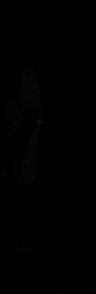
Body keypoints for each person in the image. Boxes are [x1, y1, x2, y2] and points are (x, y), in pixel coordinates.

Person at [2, 53, 42, 253]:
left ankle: (24, 239)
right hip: (15, 138)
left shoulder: (26, 74)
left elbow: (31, 111)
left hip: (19, 140)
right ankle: (18, 238)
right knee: (17, 188)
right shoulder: (20, 73)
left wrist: (21, 141)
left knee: (23, 188)